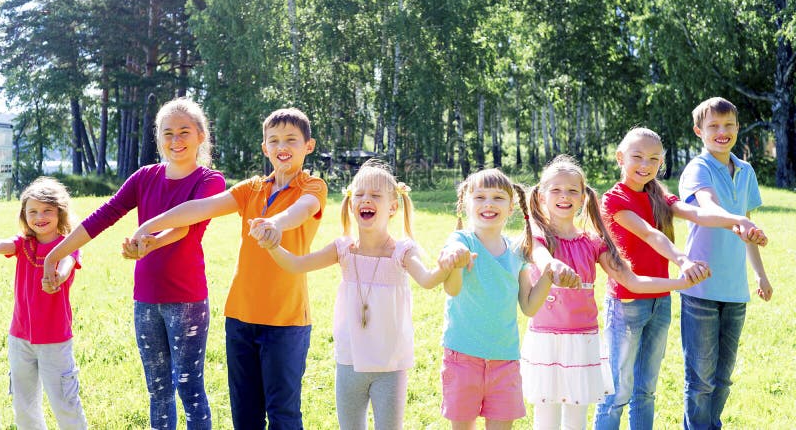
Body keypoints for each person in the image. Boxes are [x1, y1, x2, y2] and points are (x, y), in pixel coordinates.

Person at [130, 107, 328, 429]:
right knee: (245, 417)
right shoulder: (251, 188)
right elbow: (199, 208)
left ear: (308, 146)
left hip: (286, 321)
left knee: (283, 415)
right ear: (265, 147)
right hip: (240, 319)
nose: (283, 146)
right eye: (274, 140)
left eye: (291, 140)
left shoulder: (312, 187)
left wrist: (274, 224)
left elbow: (302, 211)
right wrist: (150, 225)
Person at [43, 97, 225, 429]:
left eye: (184, 132)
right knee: (158, 391)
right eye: (167, 133)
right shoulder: (144, 177)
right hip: (145, 301)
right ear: (159, 139)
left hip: (187, 300)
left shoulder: (210, 181)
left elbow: (188, 225)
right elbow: (104, 215)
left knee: (189, 388)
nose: (176, 140)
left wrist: (150, 238)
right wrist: (55, 252)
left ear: (201, 136)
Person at [254, 160, 460, 430]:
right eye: (360, 194)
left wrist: (448, 265)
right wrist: (271, 245)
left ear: (393, 207)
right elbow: (297, 265)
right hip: (349, 362)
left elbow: (428, 280)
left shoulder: (401, 252)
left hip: (390, 366)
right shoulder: (344, 249)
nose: (366, 200)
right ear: (351, 204)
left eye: (375, 195)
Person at [593, 127, 766, 430]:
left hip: (659, 302)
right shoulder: (613, 200)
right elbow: (649, 234)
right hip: (627, 304)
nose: (645, 165)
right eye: (637, 157)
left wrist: (737, 220)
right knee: (618, 392)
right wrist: (683, 260)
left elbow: (695, 213)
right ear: (621, 158)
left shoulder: (657, 193)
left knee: (645, 391)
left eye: (654, 159)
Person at [521, 155, 704, 430]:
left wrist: (681, 283)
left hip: (582, 341)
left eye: (573, 190)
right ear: (541, 196)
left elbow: (633, 282)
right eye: (556, 190)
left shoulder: (593, 242)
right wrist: (555, 266)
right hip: (547, 340)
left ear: (583, 197)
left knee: (576, 417)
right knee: (546, 418)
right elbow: (541, 257)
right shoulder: (538, 236)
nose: (564, 196)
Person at [439, 168, 580, 430]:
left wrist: (548, 276)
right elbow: (453, 289)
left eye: (497, 198)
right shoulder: (461, 241)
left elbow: (528, 306)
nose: (489, 204)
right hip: (463, 357)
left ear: (512, 206)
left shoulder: (517, 251)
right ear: (465, 203)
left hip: (505, 360)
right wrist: (456, 260)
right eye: (479, 197)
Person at [679, 97, 773, 429]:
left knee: (723, 379)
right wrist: (738, 220)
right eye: (714, 126)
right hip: (701, 287)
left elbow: (745, 225)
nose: (722, 132)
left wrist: (760, 275)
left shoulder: (745, 171)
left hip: (735, 291)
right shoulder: (698, 169)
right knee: (700, 380)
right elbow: (708, 208)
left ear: (737, 127)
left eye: (729, 125)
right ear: (699, 131)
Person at [0, 177, 87, 429]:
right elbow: (2, 244)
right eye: (33, 211)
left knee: (64, 402)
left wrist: (57, 276)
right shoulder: (23, 244)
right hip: (20, 339)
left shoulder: (67, 245)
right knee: (23, 405)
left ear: (60, 213)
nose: (40, 216)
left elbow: (67, 263)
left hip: (54, 340)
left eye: (47, 210)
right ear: (25, 216)